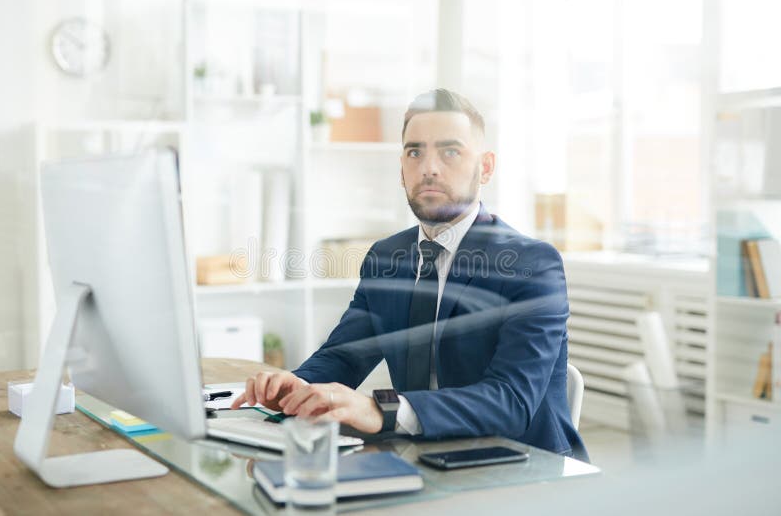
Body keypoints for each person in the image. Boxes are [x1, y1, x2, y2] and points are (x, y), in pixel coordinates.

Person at [232, 88, 588, 461]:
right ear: (401, 169)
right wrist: (297, 385)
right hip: (423, 458)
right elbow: (346, 356)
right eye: (415, 151)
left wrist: (381, 409)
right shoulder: (386, 257)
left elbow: (511, 401)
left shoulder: (533, 264)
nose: (429, 167)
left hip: (524, 468)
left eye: (450, 151)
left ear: (484, 167)